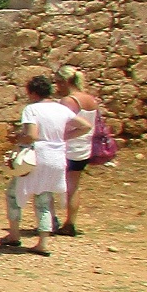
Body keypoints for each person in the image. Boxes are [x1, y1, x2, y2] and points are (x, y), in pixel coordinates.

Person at [0, 74, 87, 255]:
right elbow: (85, 126)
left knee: (14, 194)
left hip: (36, 156)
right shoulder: (61, 109)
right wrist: (62, 138)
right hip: (56, 156)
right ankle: (43, 242)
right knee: (44, 198)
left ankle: (14, 234)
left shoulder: (31, 109)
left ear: (32, 93)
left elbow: (32, 135)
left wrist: (17, 137)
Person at [53, 65, 102, 237]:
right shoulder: (90, 99)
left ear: (66, 81)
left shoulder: (69, 101)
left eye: (58, 82)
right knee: (73, 187)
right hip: (83, 149)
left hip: (67, 147)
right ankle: (70, 222)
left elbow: (63, 124)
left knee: (51, 183)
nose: (57, 86)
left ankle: (50, 220)